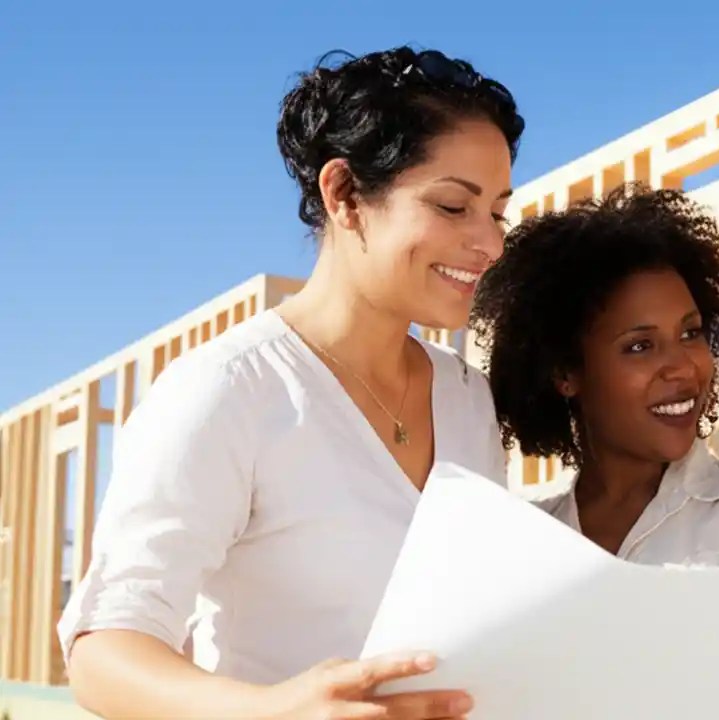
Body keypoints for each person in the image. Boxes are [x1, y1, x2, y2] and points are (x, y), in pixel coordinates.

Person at [56, 46, 524, 719]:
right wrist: (267, 712)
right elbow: (104, 649)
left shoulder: (469, 399)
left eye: (498, 213)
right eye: (453, 207)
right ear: (344, 194)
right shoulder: (229, 390)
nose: (490, 244)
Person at [470, 185, 719, 565]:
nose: (683, 366)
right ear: (565, 372)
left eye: (690, 333)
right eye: (640, 346)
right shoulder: (530, 537)